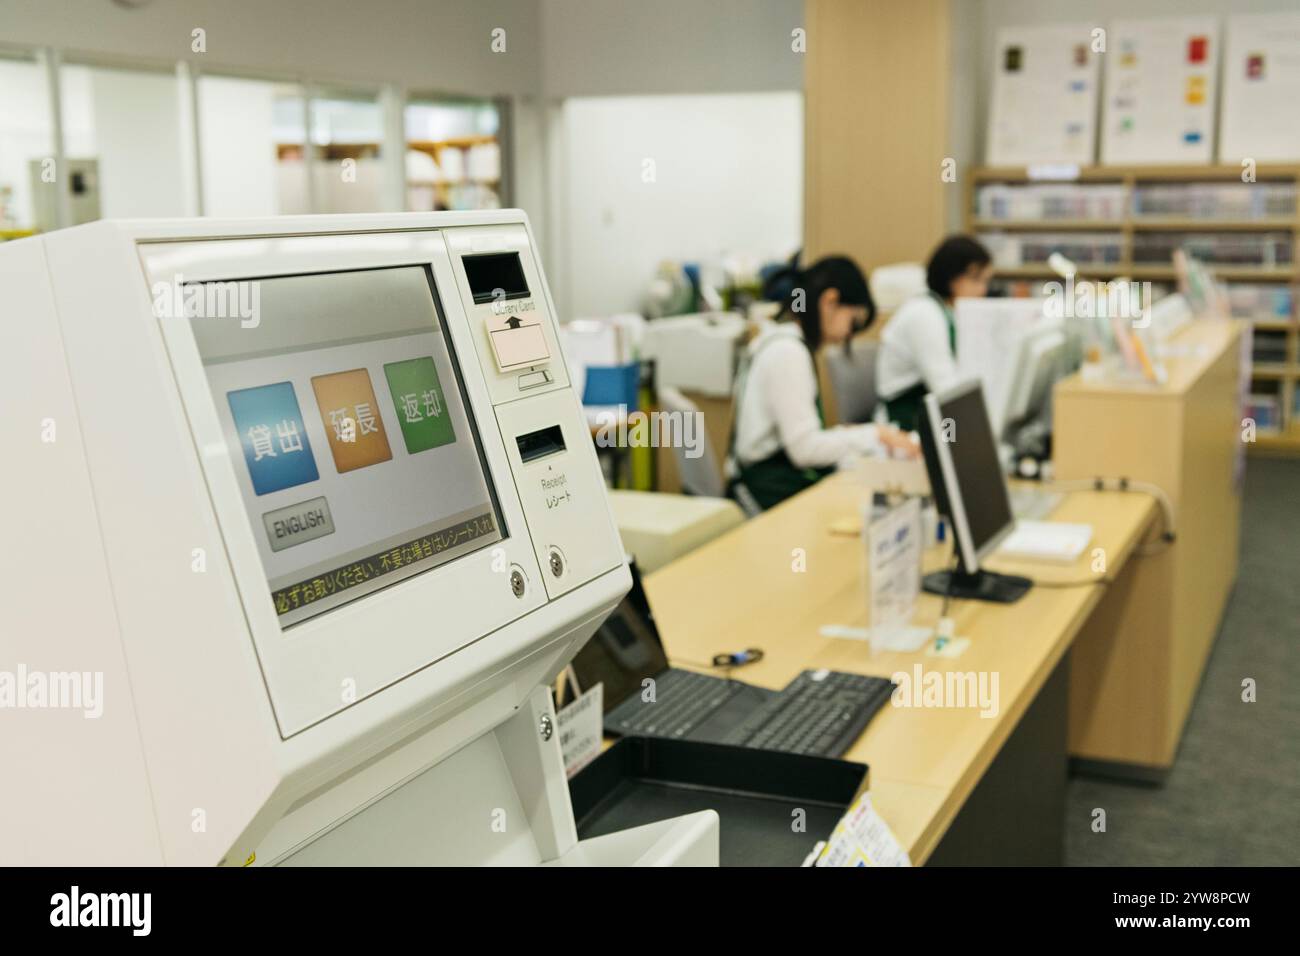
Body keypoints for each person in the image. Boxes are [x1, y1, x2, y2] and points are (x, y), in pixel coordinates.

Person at [728, 254, 917, 512]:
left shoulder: (778, 337)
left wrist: (850, 435)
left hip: (768, 475)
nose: (849, 335)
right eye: (854, 322)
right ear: (830, 302)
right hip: (763, 488)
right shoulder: (788, 352)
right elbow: (804, 450)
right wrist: (876, 434)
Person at [876, 235, 993, 432]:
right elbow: (947, 390)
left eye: (986, 281)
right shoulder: (924, 315)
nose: (983, 290)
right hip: (904, 424)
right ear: (952, 277)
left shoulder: (949, 312)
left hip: (931, 416)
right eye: (976, 279)